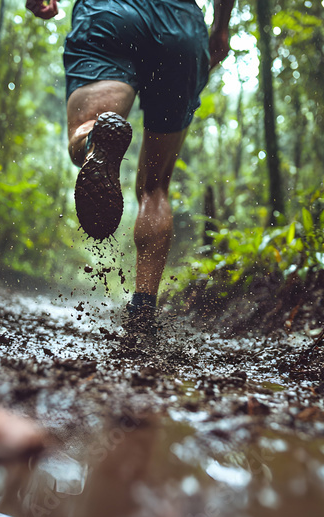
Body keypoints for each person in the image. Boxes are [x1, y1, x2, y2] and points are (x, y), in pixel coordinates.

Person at [27, 0, 234, 338]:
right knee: (155, 187)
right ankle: (142, 307)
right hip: (180, 27)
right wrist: (220, 26)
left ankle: (95, 138)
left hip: (108, 15)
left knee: (87, 127)